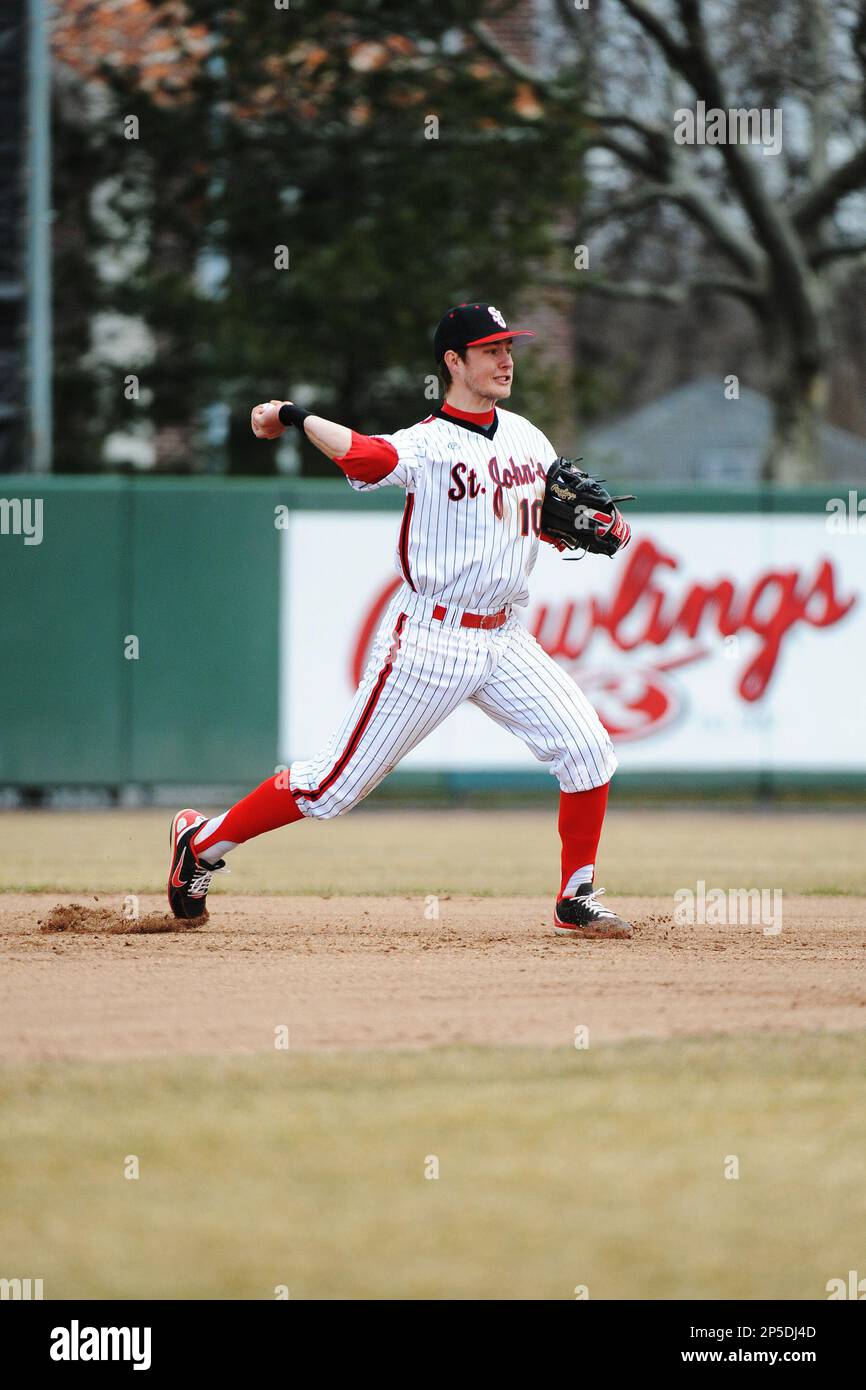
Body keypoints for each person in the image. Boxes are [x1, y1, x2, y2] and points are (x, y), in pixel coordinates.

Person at [168, 302, 632, 938]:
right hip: (430, 639)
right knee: (330, 787)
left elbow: (540, 519)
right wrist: (294, 414)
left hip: (502, 637)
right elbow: (362, 456)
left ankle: (575, 896)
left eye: (508, 347)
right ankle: (201, 843)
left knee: (588, 751)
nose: (506, 359)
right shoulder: (427, 442)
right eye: (491, 349)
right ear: (453, 361)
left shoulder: (528, 436)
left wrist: (587, 528)